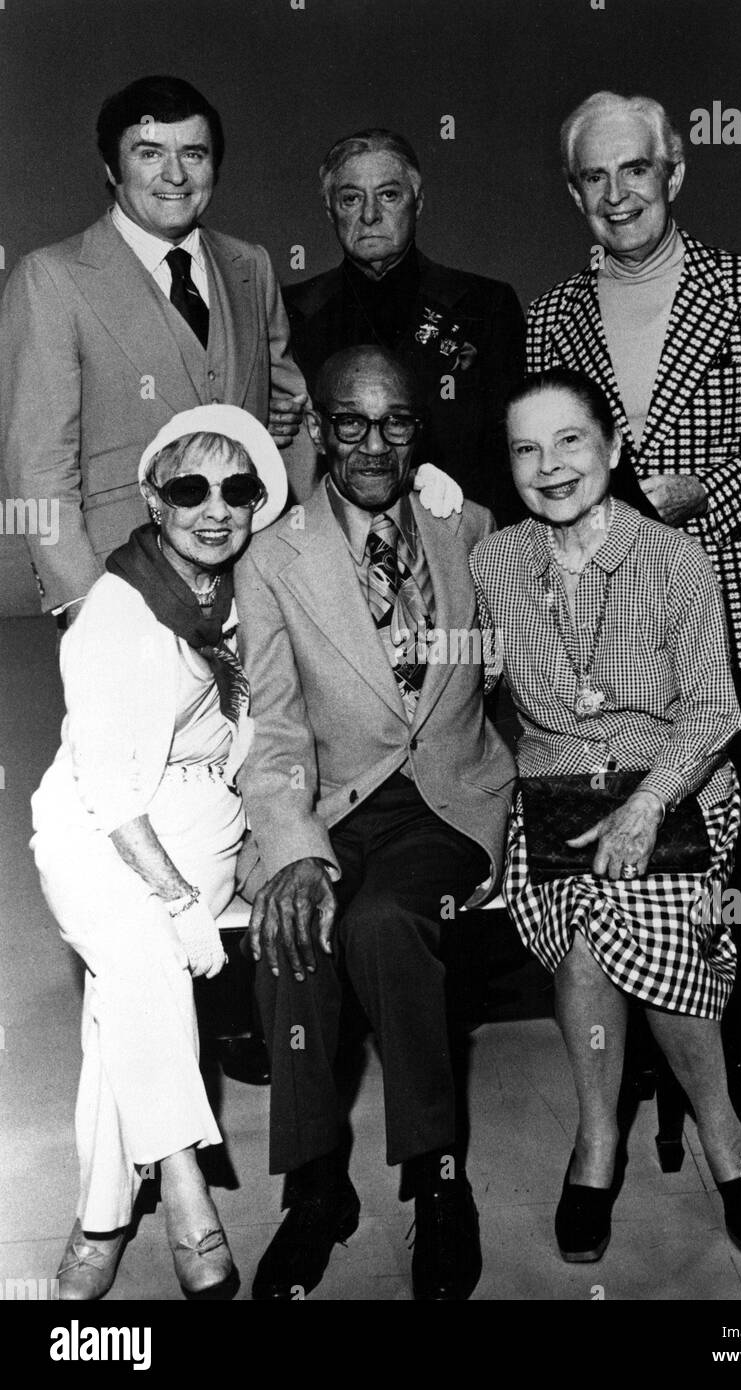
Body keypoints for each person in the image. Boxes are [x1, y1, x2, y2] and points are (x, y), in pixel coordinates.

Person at [525, 91, 741, 1125]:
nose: (618, 194)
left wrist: (708, 493)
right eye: (594, 178)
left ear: (675, 172)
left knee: (739, 838)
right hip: (607, 631)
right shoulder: (553, 314)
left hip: (734, 611)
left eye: (636, 170)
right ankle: (660, 1046)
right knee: (637, 836)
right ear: (573, 193)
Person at [470, 370, 741, 1263]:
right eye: (526, 449)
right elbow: (471, 690)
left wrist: (648, 804)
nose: (550, 465)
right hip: (559, 788)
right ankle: (598, 1140)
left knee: (655, 917)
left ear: (612, 446)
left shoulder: (675, 557)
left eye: (570, 440)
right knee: (582, 922)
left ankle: (723, 1134)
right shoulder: (494, 563)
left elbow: (716, 711)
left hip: (672, 785)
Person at [233, 345, 517, 1301]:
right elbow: (274, 729)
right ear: (316, 427)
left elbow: (529, 662)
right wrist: (293, 852)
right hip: (329, 799)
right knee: (292, 923)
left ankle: (437, 1178)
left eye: (394, 421)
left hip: (443, 799)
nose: (370, 443)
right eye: (348, 422)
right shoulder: (272, 557)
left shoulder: (467, 526)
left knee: (384, 921)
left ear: (416, 430)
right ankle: (315, 1188)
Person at [30, 405, 289, 1300]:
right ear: (151, 496)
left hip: (196, 815)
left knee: (119, 994)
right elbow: (105, 789)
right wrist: (180, 903)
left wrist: (444, 500)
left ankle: (101, 1216)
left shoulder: (242, 585)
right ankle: (183, 1184)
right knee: (142, 963)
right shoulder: (117, 613)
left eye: (237, 490)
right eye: (189, 489)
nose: (214, 511)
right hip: (100, 820)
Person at [0, 74, 308, 629]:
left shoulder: (251, 266)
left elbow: (293, 418)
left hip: (253, 590)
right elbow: (39, 471)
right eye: (149, 153)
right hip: (122, 590)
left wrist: (297, 562)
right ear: (112, 170)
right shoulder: (51, 277)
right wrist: (84, 605)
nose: (175, 175)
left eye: (194, 153)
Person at [283, 128, 527, 522]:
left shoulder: (486, 305)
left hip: (457, 535)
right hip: (335, 543)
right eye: (350, 198)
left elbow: (513, 446)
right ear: (331, 211)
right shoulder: (291, 311)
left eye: (388, 194)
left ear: (418, 202)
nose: (369, 214)